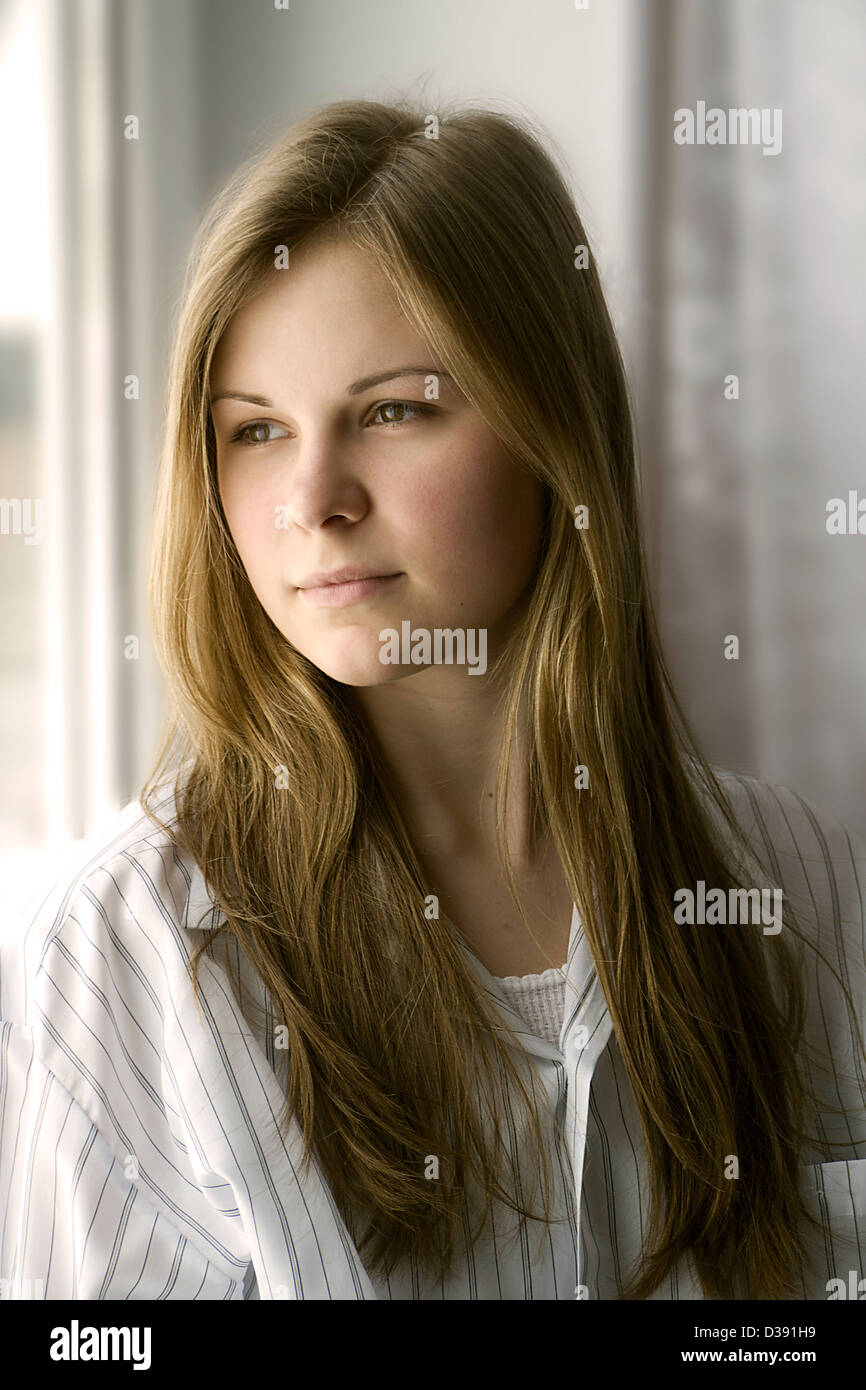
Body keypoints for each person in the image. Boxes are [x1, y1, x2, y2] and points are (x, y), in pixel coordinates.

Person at [1, 98, 864, 1301]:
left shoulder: (797, 880)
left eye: (395, 409)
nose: (312, 498)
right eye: (254, 431)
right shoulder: (124, 957)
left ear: (549, 425)